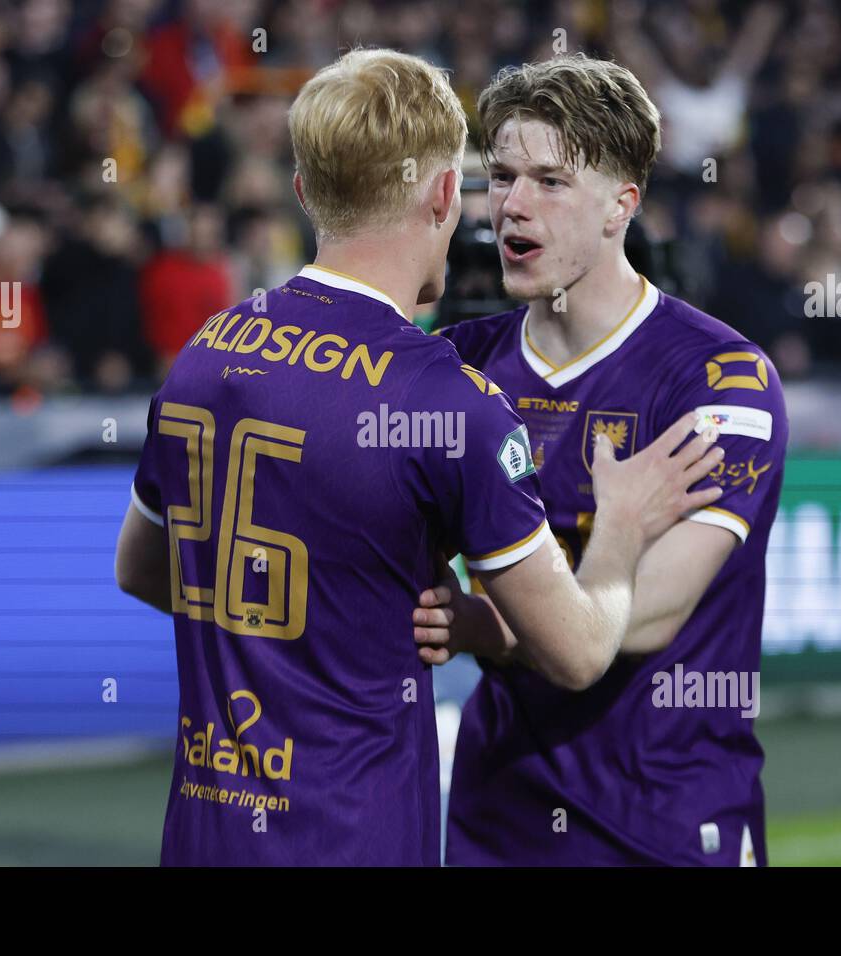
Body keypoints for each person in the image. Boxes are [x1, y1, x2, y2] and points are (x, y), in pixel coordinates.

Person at [113, 49, 724, 866]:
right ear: (444, 194)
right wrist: (619, 529)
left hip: (201, 836)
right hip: (353, 840)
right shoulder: (448, 402)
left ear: (306, 191)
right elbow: (577, 653)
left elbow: (142, 570)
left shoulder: (208, 352)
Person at [420, 55, 788, 866]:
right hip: (497, 811)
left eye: (550, 181)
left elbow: (651, 612)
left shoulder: (718, 378)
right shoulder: (454, 368)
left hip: (666, 812)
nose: (512, 206)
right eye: (502, 176)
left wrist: (482, 622)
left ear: (623, 204)